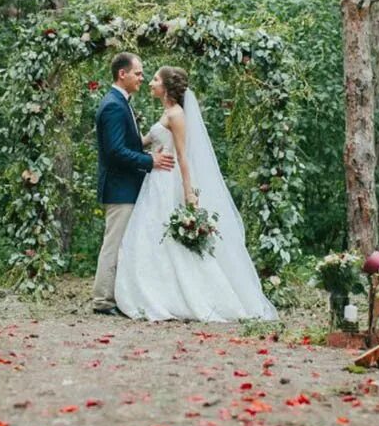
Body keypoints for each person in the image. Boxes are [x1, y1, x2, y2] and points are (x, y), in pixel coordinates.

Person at [113, 65, 277, 322]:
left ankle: (179, 296)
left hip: (168, 182)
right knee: (151, 236)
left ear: (166, 86)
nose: (150, 83)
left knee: (164, 237)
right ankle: (156, 290)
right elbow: (143, 143)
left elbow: (183, 156)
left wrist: (189, 192)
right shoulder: (167, 112)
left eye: (155, 79)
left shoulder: (177, 114)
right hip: (154, 180)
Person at [92, 52, 175, 315]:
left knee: (124, 244)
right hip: (119, 187)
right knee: (114, 244)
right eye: (138, 73)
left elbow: (127, 143)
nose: (141, 78)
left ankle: (118, 296)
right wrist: (151, 161)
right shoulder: (114, 105)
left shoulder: (121, 102)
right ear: (122, 74)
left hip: (127, 185)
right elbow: (115, 151)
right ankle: (103, 301)